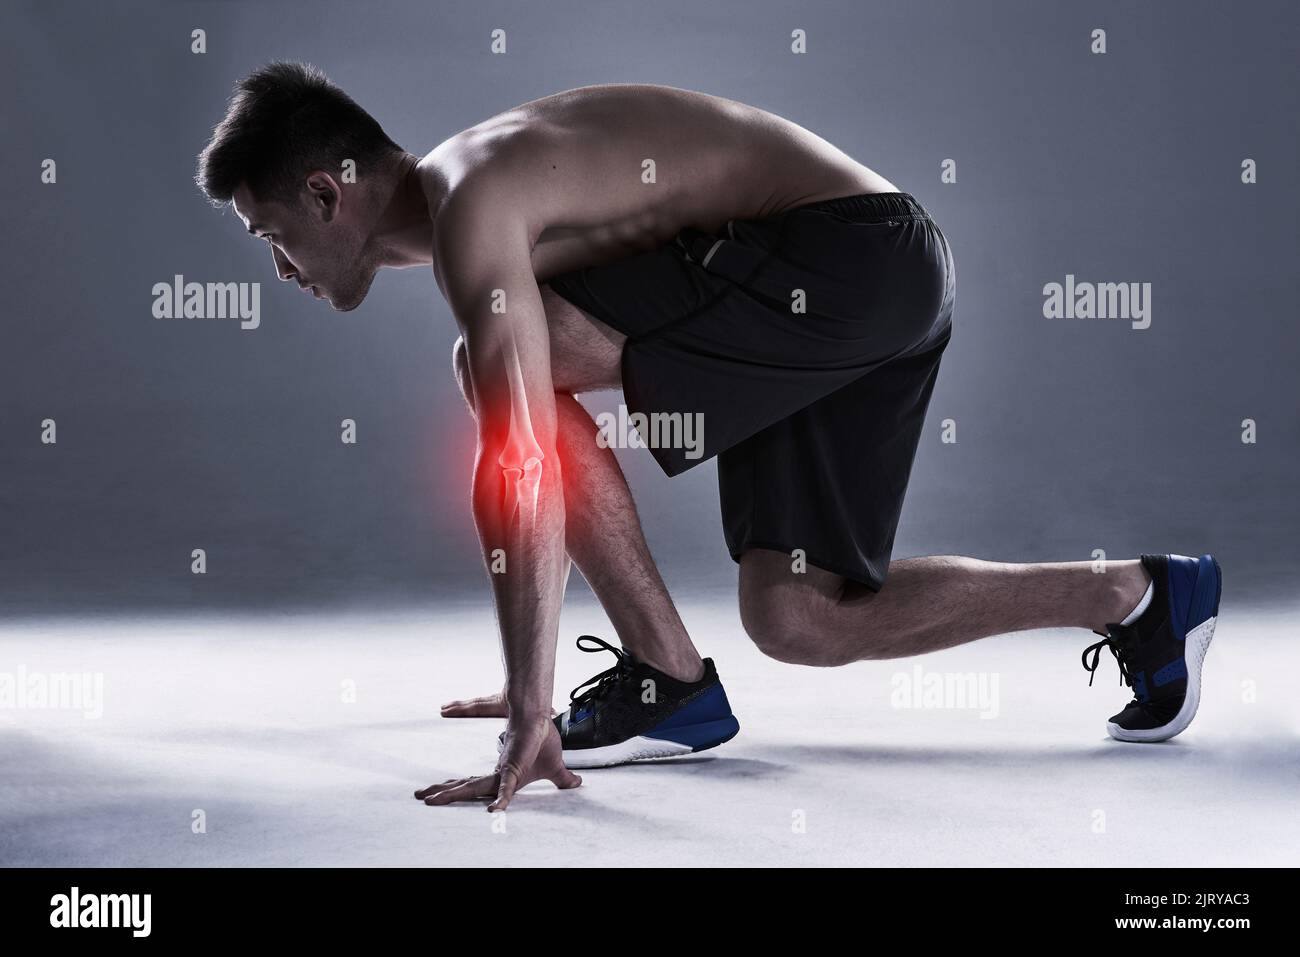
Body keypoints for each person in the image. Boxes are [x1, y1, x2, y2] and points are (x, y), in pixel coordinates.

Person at [196, 62, 1222, 811]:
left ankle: (664, 677)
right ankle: (1139, 594)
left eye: (270, 234)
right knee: (799, 617)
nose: (280, 268)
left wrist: (532, 709)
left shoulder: (475, 199)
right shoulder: (485, 205)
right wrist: (529, 680)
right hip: (867, 282)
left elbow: (518, 460)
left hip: (848, 256)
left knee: (497, 368)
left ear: (327, 192)